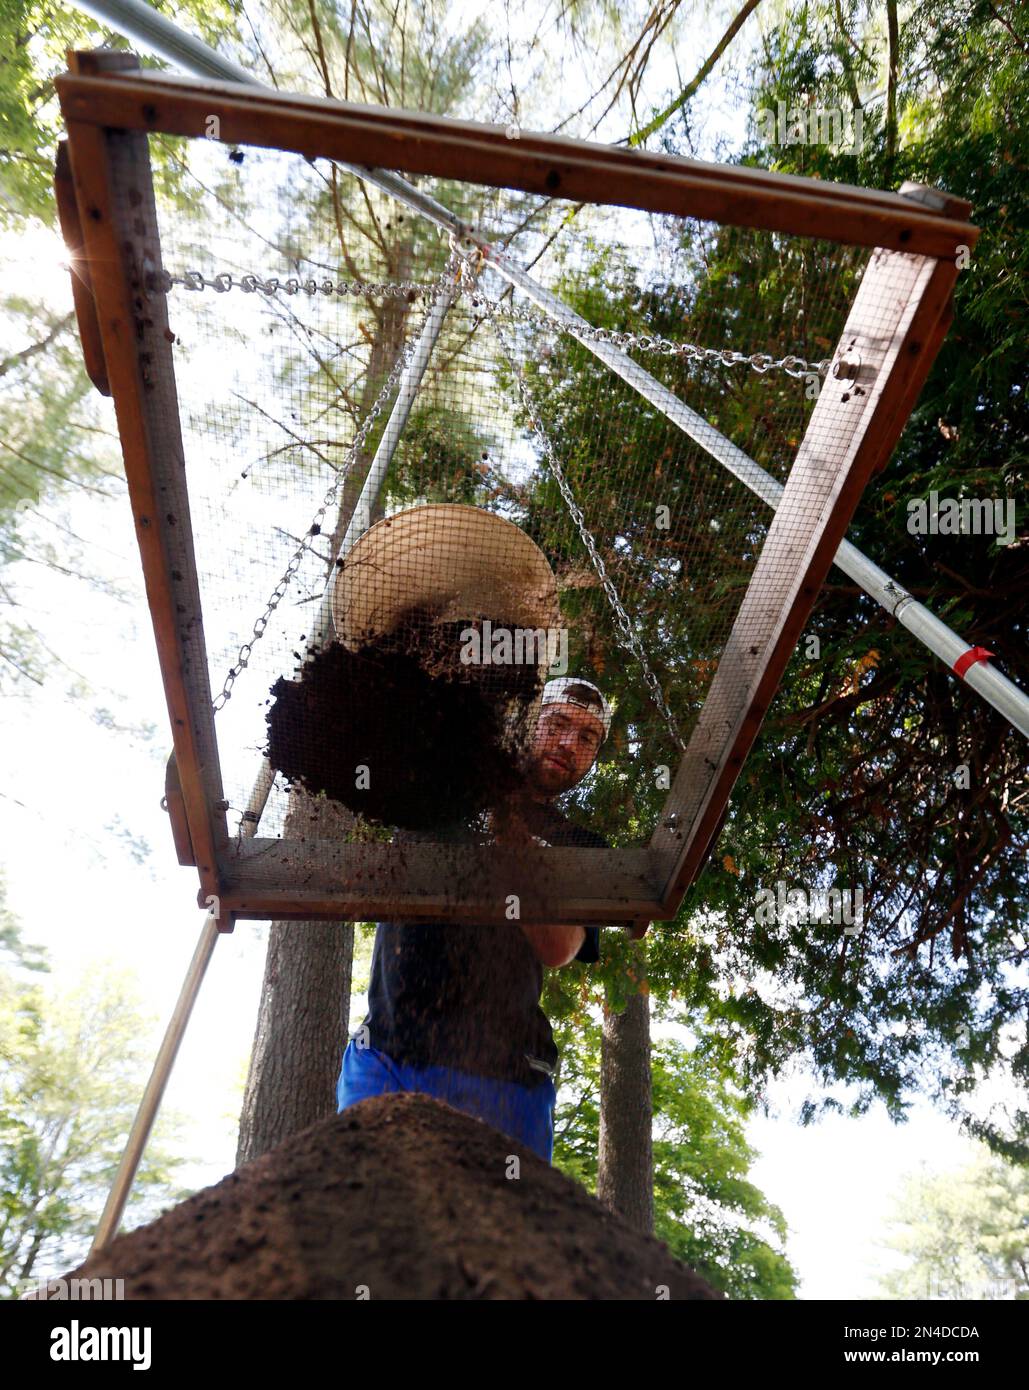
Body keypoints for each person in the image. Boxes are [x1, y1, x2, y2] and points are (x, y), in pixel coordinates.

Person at [336, 676, 631, 1163]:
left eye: (586, 738)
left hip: (506, 1077)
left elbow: (560, 948)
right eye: (556, 724)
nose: (567, 744)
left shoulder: (583, 848)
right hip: (389, 1054)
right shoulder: (447, 792)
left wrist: (511, 844)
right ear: (524, 725)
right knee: (367, 1216)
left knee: (502, 1233)